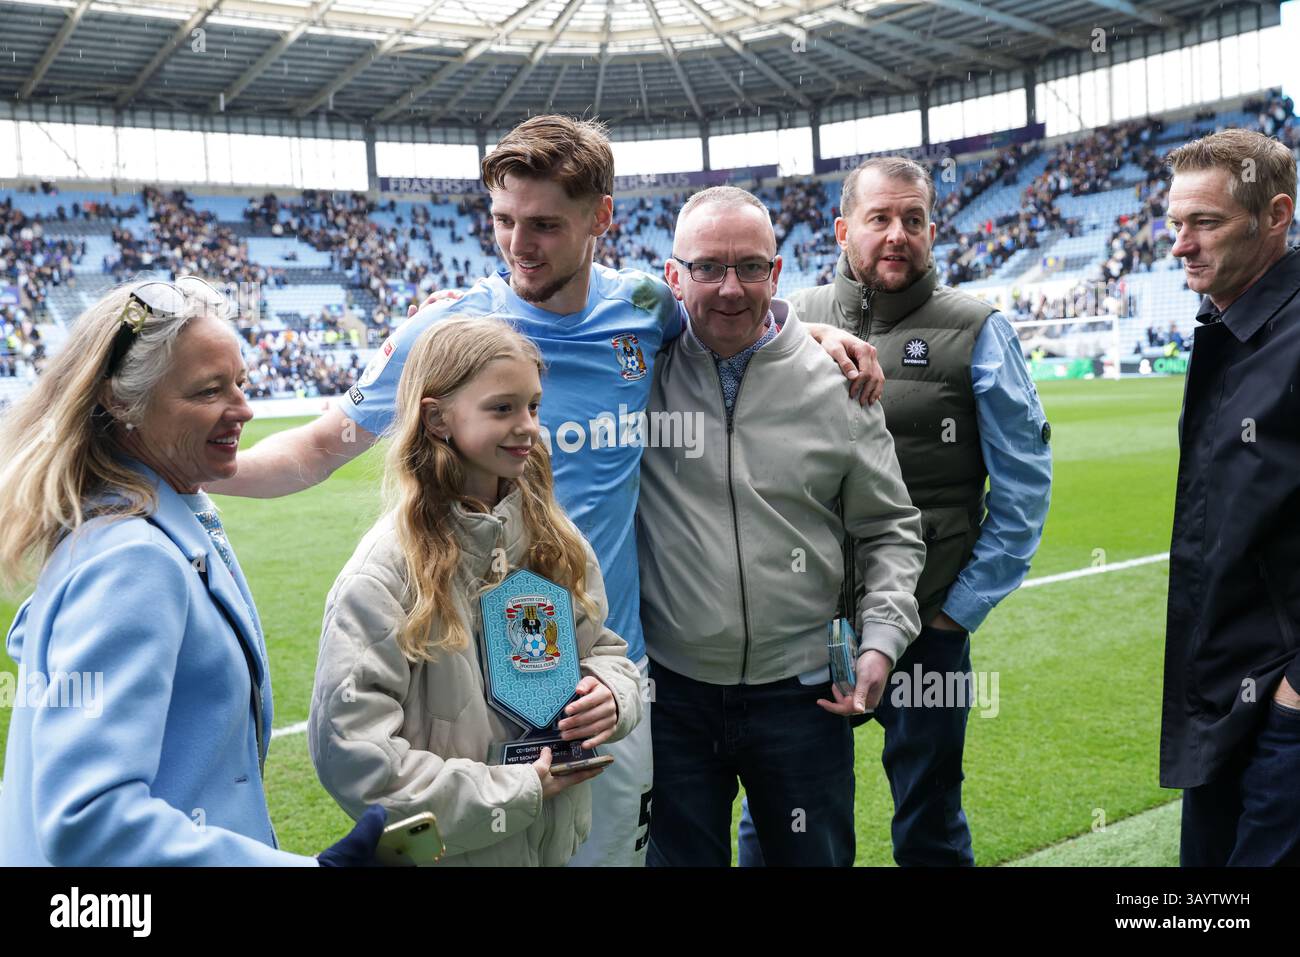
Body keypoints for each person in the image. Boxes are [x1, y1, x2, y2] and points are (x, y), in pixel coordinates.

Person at [210, 114, 882, 866]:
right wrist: (194, 468)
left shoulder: (641, 311)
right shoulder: (451, 329)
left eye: (543, 225)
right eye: (503, 220)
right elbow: (321, 445)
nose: (517, 245)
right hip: (474, 689)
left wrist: (814, 333)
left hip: (605, 675)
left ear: (600, 218)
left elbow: (733, 322)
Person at [0, 278, 384, 866]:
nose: (244, 409)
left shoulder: (140, 518)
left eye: (240, 383)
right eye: (210, 391)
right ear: (121, 403)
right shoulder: (133, 558)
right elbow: (87, 822)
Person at [738, 156, 1052, 867]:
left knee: (930, 820)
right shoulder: (786, 320)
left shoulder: (977, 329)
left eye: (913, 219)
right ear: (845, 228)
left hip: (927, 623)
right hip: (802, 629)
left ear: (933, 230)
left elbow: (1025, 486)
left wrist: (954, 612)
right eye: (880, 218)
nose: (897, 234)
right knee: (783, 824)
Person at [637, 186, 926, 867]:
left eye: (751, 266)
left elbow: (889, 527)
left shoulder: (838, 382)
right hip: (672, 696)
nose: (731, 288)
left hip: (803, 696)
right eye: (708, 267)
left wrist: (882, 640)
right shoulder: (637, 371)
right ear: (672, 276)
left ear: (779, 269)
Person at [308, 317, 642, 865]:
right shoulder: (386, 574)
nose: (527, 427)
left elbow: (603, 650)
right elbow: (355, 759)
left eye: (533, 406)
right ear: (437, 418)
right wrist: (510, 792)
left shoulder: (553, 539)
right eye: (502, 408)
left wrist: (611, 695)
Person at [1160, 128, 1300, 866]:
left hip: (1283, 706)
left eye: (1205, 223)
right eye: (1175, 223)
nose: (1181, 244)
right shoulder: (1225, 322)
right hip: (1220, 696)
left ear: (1276, 214)